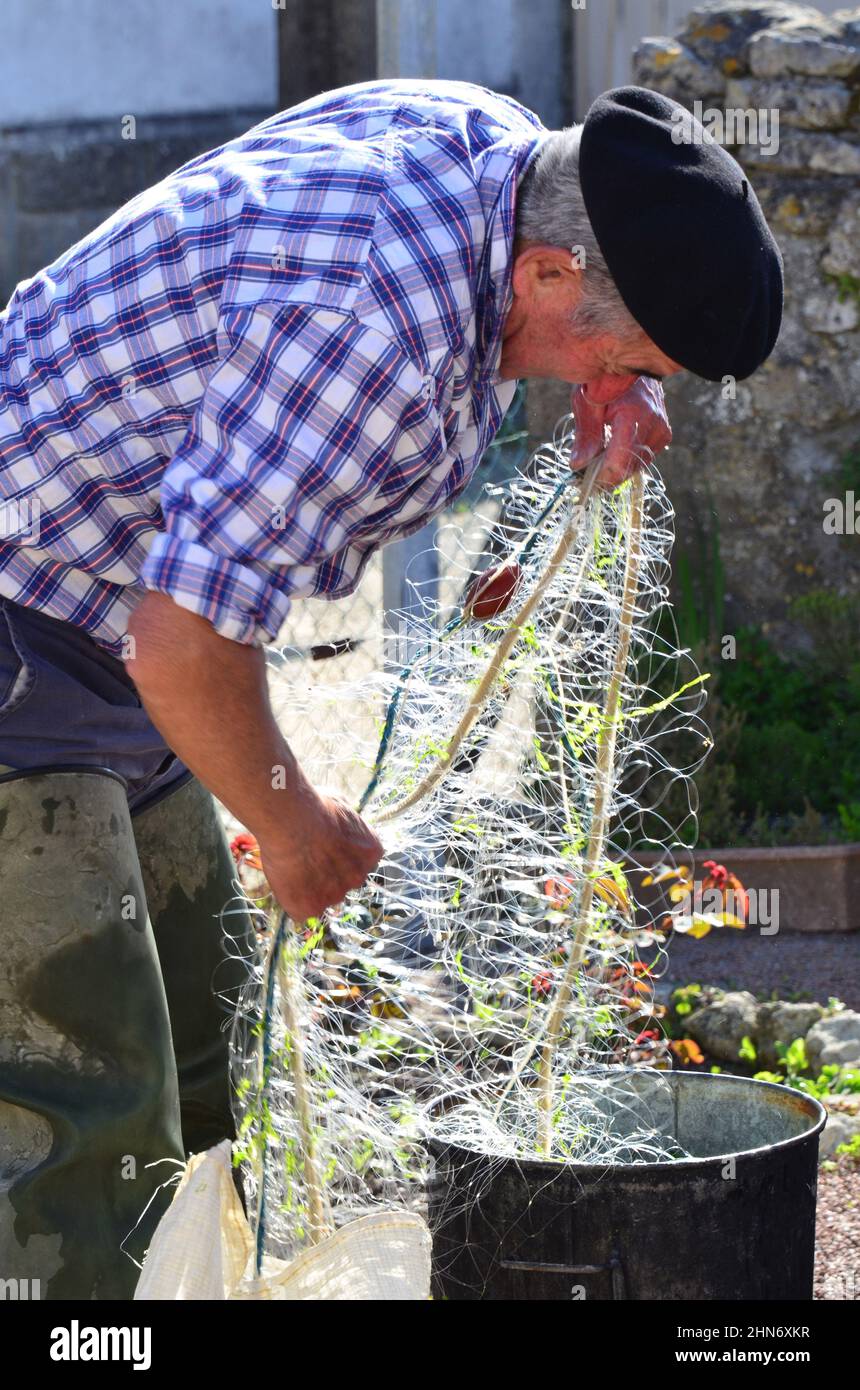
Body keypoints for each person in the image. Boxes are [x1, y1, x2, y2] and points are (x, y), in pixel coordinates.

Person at [0, 79, 782, 1298]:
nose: (627, 379)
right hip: (34, 611)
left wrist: (610, 374)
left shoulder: (488, 142)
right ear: (543, 276)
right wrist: (293, 824)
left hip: (113, 603)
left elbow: (174, 622)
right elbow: (185, 640)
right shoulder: (371, 340)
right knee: (82, 1108)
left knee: (198, 1067)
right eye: (624, 353)